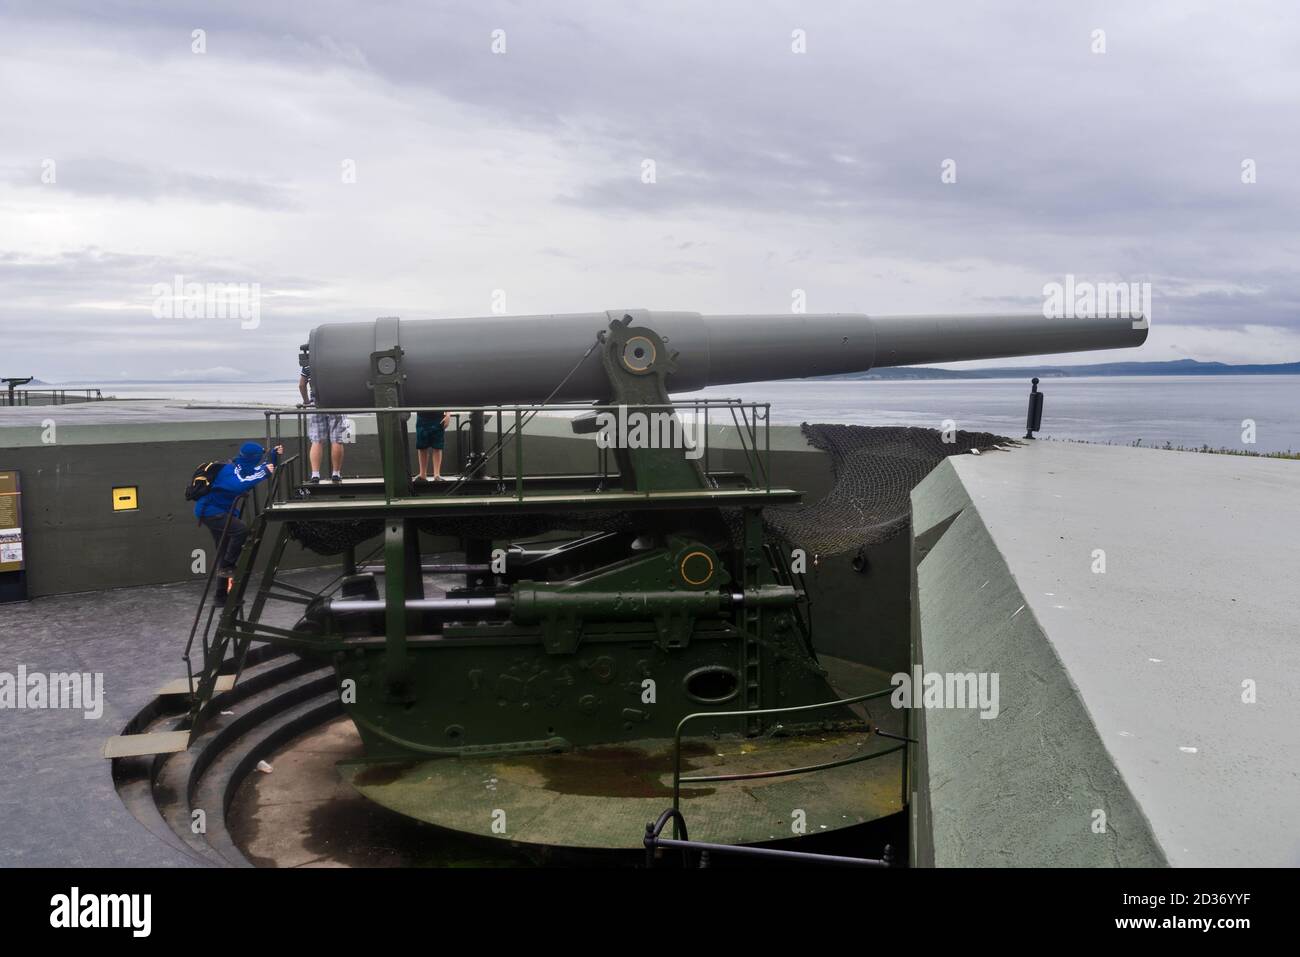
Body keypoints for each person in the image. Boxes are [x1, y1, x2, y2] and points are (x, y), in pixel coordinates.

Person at [194, 442, 282, 598]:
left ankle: (221, 595)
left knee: (223, 549)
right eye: (258, 458)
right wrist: (264, 472)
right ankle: (228, 565)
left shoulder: (240, 465)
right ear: (252, 458)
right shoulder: (229, 471)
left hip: (217, 511)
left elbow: (255, 470)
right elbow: (239, 486)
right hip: (211, 512)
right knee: (240, 530)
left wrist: (273, 456)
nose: (258, 461)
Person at [298, 361, 345, 484]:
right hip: (337, 402)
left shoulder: (309, 364)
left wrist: (307, 401)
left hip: (317, 402)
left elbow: (302, 385)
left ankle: (315, 475)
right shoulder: (338, 361)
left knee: (317, 440)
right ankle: (336, 474)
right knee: (337, 439)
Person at [415, 410, 450, 483]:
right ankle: (422, 474)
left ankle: (437, 475)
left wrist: (448, 414)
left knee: (437, 446)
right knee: (422, 447)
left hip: (438, 417)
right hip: (422, 416)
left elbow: (446, 399)